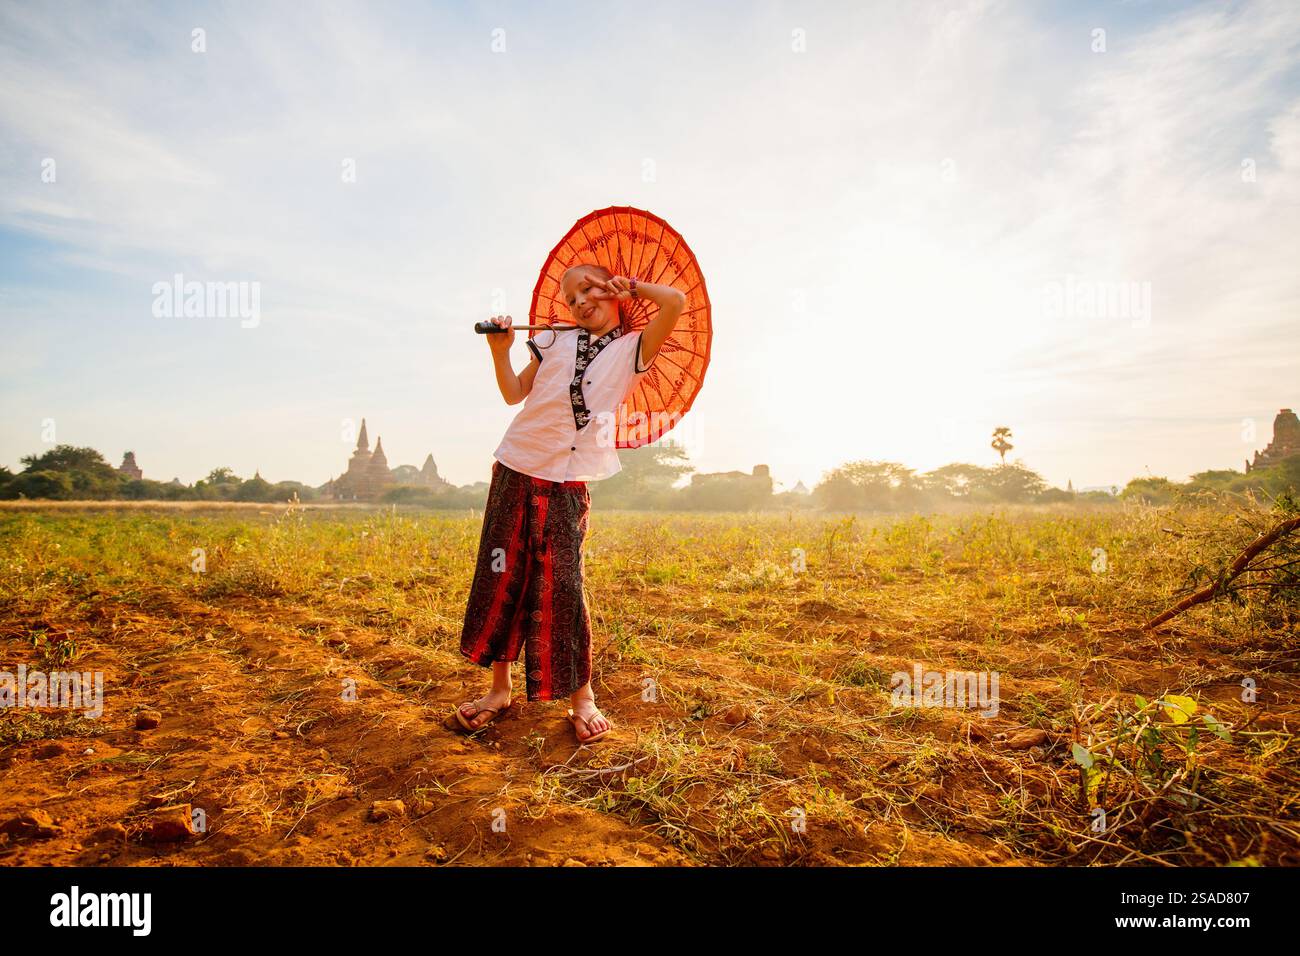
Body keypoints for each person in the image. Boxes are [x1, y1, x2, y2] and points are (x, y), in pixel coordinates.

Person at [456, 264, 686, 742]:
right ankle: (499, 690)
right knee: (505, 576)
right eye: (572, 296)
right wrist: (499, 352)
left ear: (615, 292)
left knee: (563, 583)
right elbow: (512, 393)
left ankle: (583, 698)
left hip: (570, 481)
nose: (581, 301)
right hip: (517, 465)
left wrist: (634, 287)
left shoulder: (633, 348)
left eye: (591, 289)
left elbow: (676, 302)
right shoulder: (550, 341)